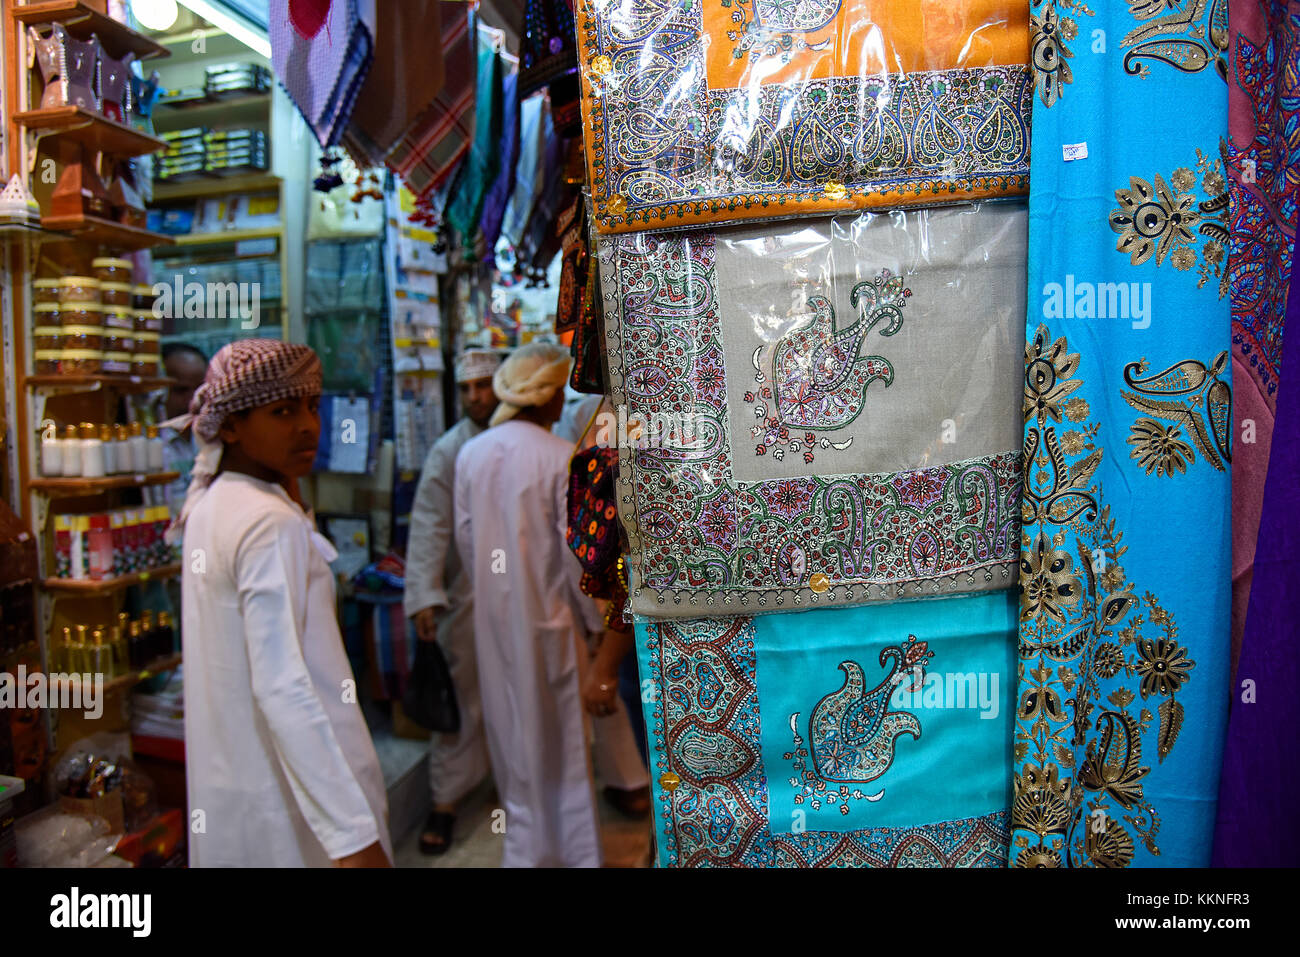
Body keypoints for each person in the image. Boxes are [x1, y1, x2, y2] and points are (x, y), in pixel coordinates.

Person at [172, 339, 391, 867]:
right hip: (295, 809)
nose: (309, 426)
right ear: (231, 426)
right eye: (283, 412)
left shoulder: (214, 504)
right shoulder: (267, 522)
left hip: (243, 796)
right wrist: (354, 839)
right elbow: (285, 688)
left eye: (312, 407)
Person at [453, 342, 608, 867]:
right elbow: (574, 555)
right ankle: (575, 855)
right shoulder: (560, 456)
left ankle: (526, 853)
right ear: (546, 396)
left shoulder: (472, 454)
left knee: (513, 741)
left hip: (494, 623)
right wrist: (595, 623)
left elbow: (467, 540)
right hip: (553, 622)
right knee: (563, 745)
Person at [403, 349, 501, 854]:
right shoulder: (449, 449)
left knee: (517, 691)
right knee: (459, 694)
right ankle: (445, 801)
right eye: (466, 388)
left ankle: (514, 784)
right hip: (465, 596)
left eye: (483, 385)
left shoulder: (526, 437)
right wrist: (425, 595)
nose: (474, 397)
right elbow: (429, 524)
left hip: (523, 595)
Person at [158, 343, 209, 510]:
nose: (193, 400)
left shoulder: (215, 436)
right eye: (181, 390)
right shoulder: (151, 444)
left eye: (200, 390)